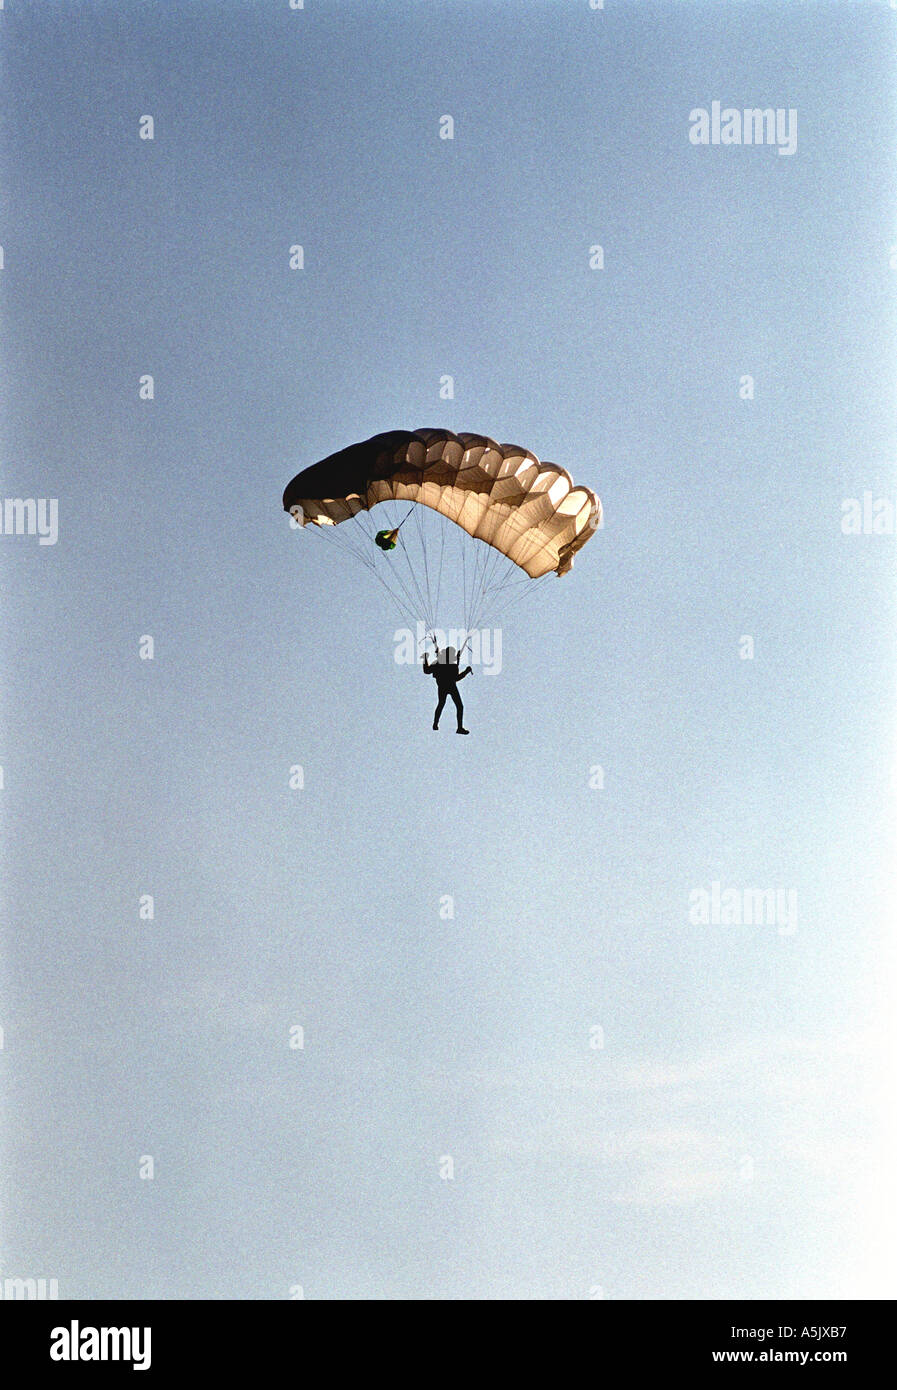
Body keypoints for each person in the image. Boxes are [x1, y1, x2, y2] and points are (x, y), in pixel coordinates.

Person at [423, 644, 471, 733]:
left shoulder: (439, 663)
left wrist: (425, 659)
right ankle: (459, 727)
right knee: (459, 706)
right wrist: (466, 672)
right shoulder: (450, 665)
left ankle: (435, 723)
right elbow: (456, 678)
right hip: (451, 686)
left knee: (441, 704)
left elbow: (426, 670)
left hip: (442, 687)